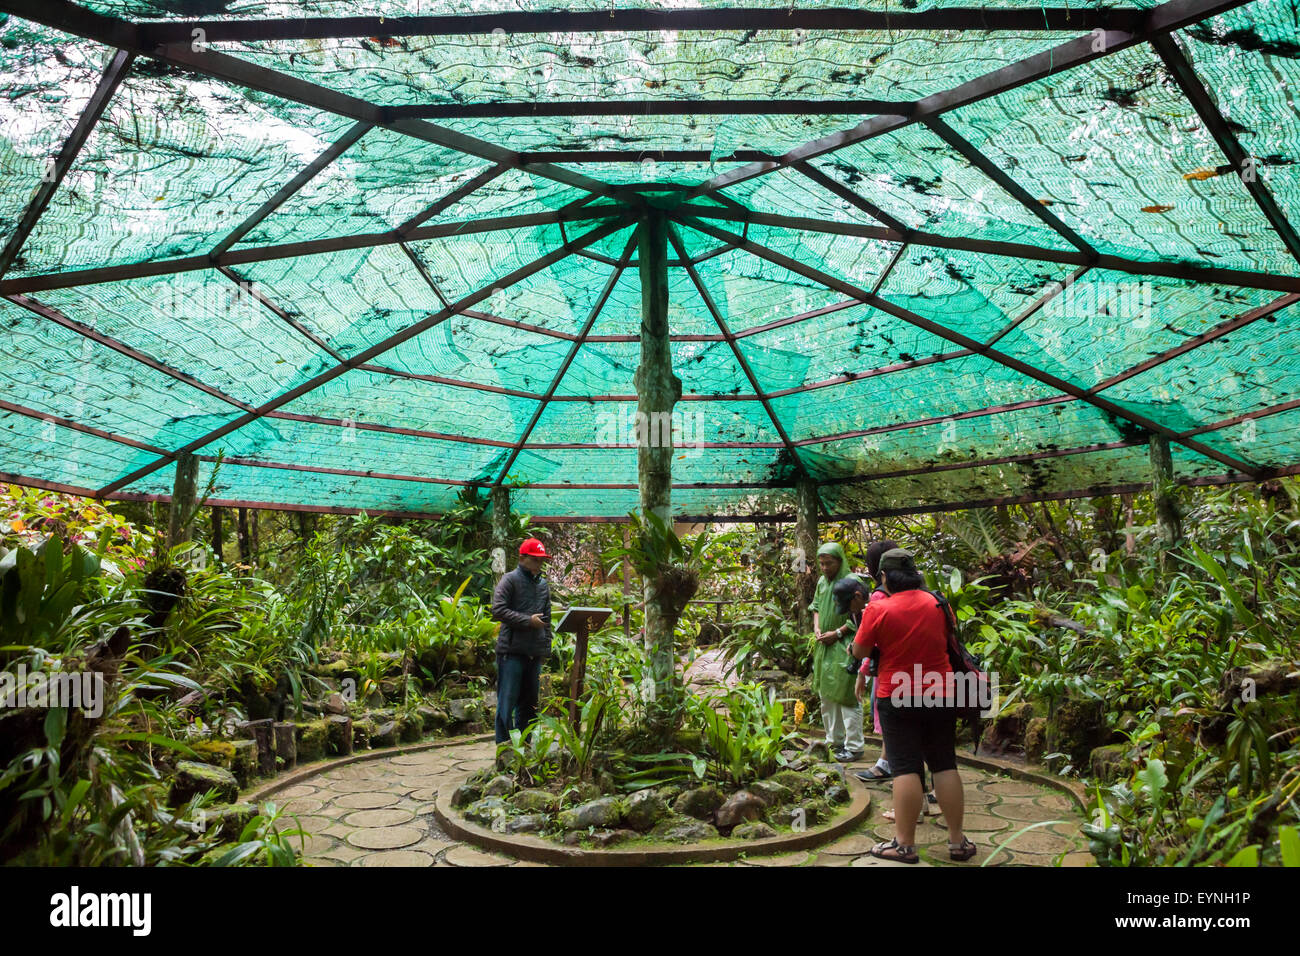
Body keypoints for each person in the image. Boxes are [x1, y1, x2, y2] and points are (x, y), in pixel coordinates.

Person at [851, 548, 976, 863]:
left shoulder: (879, 610)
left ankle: (904, 845)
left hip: (898, 693)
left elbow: (859, 651)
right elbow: (949, 637)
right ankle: (957, 842)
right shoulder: (938, 603)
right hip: (941, 690)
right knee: (944, 763)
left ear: (884, 577)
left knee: (906, 766)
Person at [490, 537, 553, 745]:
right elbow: (498, 609)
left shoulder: (543, 585)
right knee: (506, 703)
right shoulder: (509, 580)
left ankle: (525, 747)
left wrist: (545, 650)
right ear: (522, 558)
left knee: (530, 705)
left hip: (534, 654)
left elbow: (547, 619)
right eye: (535, 559)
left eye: (541, 560)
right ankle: (504, 749)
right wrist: (527, 621)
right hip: (512, 652)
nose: (539, 564)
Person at [808, 541, 863, 763]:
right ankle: (834, 741)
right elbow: (817, 607)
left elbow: (860, 617)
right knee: (827, 696)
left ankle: (854, 746)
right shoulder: (822, 582)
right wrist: (817, 627)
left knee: (847, 695)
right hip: (824, 646)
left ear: (839, 561)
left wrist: (838, 633)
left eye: (828, 563)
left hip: (846, 644)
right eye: (821, 563)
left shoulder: (852, 582)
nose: (824, 568)